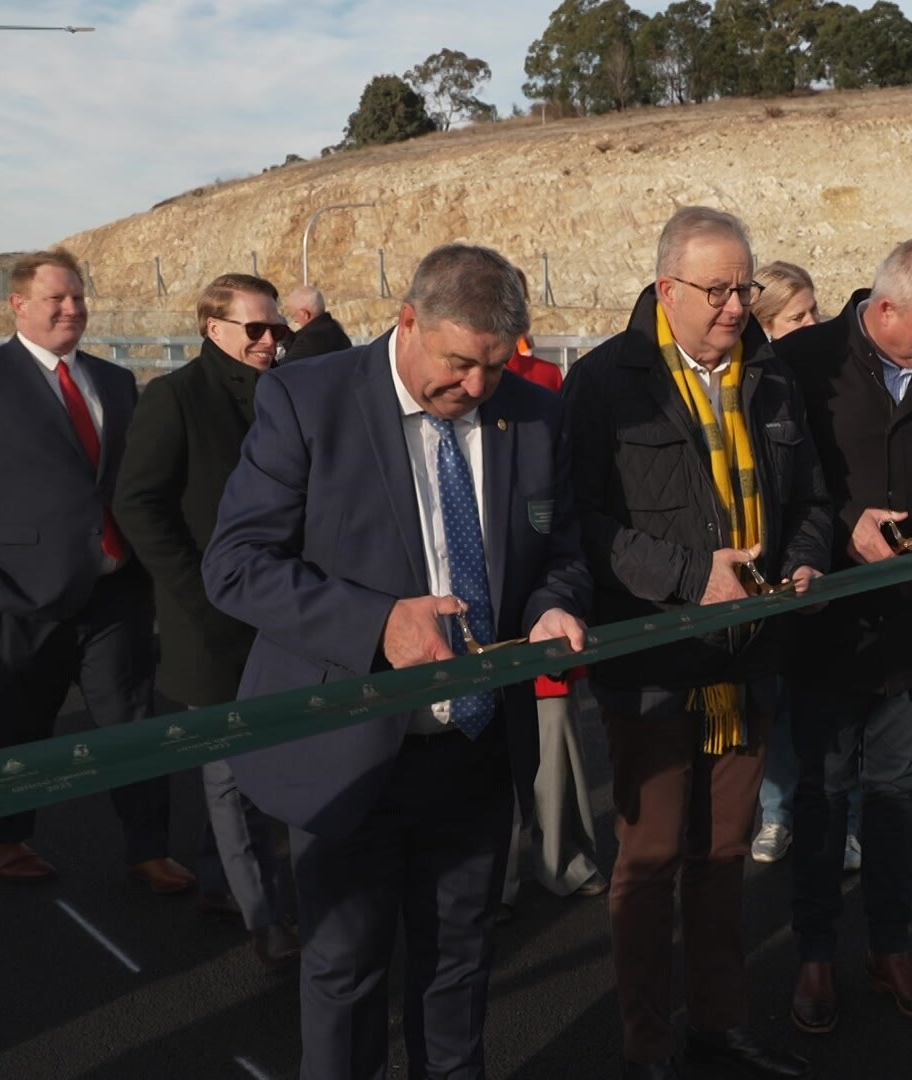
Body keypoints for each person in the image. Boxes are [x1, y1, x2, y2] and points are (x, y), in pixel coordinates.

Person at [203, 243, 592, 1080]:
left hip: (476, 755)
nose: (477, 388)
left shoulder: (533, 413)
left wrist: (554, 602)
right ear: (407, 321)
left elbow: (557, 547)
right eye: (459, 363)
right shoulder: (308, 398)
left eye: (496, 366)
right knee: (345, 977)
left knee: (460, 971)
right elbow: (235, 563)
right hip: (349, 748)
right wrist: (376, 624)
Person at [563, 206, 830, 1080]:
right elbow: (581, 524)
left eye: (744, 288)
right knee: (646, 865)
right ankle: (647, 1047)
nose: (734, 306)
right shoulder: (606, 383)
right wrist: (688, 576)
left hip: (748, 661)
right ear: (667, 287)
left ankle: (718, 1024)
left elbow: (811, 501)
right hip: (651, 664)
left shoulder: (774, 377)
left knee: (721, 859)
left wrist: (801, 563)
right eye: (716, 290)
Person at [777, 237, 912, 1034]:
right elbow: (784, 479)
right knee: (820, 794)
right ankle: (813, 956)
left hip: (908, 622)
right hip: (825, 620)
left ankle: (891, 948)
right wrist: (843, 527)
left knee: (898, 794)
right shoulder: (804, 361)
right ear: (885, 310)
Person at [0, 249, 191, 891]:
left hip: (116, 588)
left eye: (78, 297)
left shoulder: (115, 380)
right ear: (19, 305)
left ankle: (147, 847)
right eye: (57, 298)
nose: (72, 308)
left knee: (132, 722)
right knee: (21, 724)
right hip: (23, 593)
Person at [114, 273, 299, 969]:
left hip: (284, 613)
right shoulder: (174, 399)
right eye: (254, 328)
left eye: (276, 328)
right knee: (231, 774)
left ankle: (222, 884)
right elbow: (139, 506)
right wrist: (201, 593)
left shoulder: (286, 393)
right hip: (211, 622)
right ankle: (267, 917)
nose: (268, 340)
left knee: (274, 758)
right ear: (212, 327)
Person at [744, 261, 861, 871]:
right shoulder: (759, 385)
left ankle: (848, 820)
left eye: (816, 311)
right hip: (774, 564)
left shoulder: (833, 377)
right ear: (764, 327)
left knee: (839, 706)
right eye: (799, 316)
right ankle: (778, 812)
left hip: (829, 558)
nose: (814, 324)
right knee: (778, 700)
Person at [496, 296, 608, 916]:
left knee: (555, 753)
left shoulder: (542, 387)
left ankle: (561, 858)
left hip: (541, 607)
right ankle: (500, 876)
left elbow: (558, 515)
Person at [281, 283, 353, 361]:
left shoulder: (310, 340)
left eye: (294, 315)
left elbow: (281, 370)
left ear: (305, 314)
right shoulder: (335, 331)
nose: (295, 320)